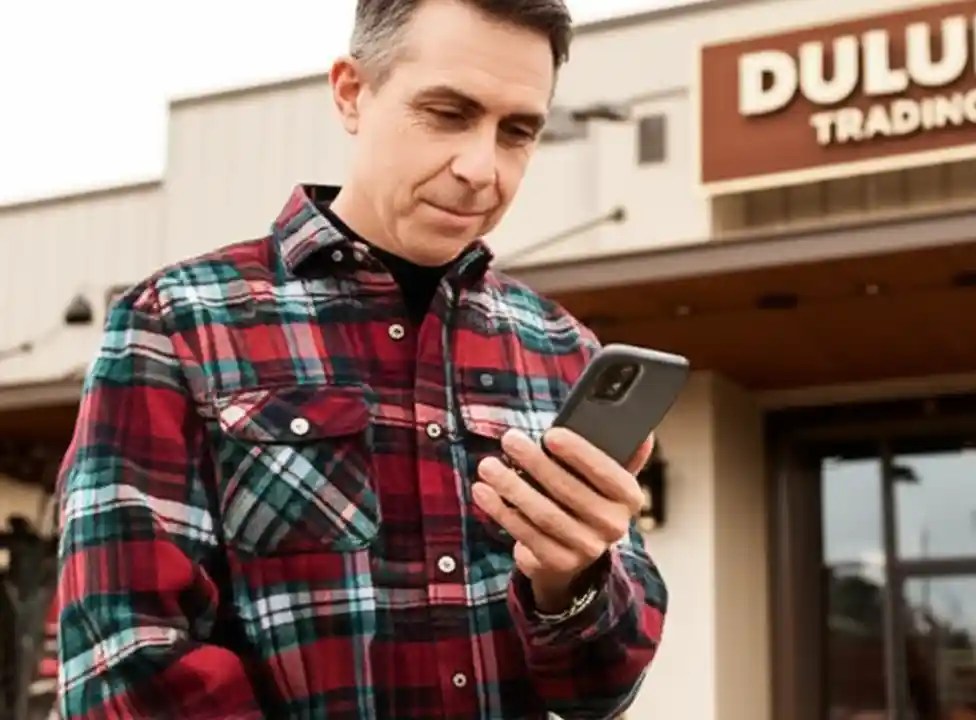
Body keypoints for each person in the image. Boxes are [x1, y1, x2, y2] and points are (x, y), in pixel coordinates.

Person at [53, 1, 668, 718]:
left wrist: (570, 581)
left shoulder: (563, 349)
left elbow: (604, 691)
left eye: (517, 132)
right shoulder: (177, 323)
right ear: (352, 92)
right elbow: (127, 661)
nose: (481, 167)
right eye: (447, 112)